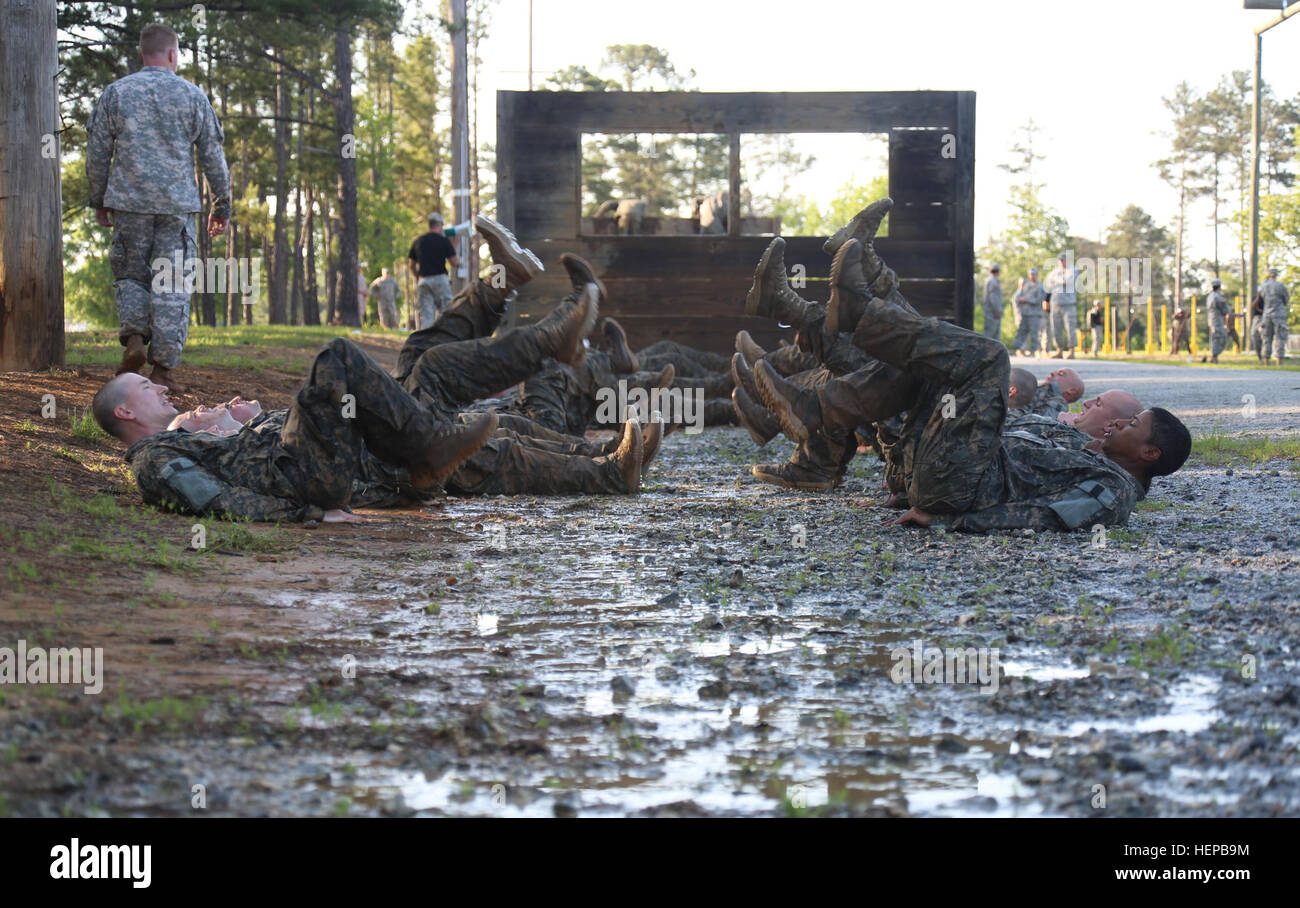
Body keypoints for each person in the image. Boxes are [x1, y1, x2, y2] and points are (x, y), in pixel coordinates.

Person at [752, 220, 1190, 532]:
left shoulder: (1115, 491)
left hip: (957, 485)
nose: (1116, 424)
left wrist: (954, 519)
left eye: (1130, 425)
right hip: (935, 464)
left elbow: (1046, 517)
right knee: (931, 364)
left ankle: (860, 302)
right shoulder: (1088, 449)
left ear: (1149, 454)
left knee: (990, 359)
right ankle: (806, 336)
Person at [86, 23, 231, 391]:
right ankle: (163, 370)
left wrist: (99, 199)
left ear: (141, 54)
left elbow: (98, 153)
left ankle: (134, 339)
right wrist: (222, 205)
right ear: (172, 54)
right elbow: (214, 155)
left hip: (129, 204)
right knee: (171, 283)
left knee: (131, 275)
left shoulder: (116, 93)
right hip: (175, 206)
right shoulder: (192, 96)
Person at [409, 213, 459, 329]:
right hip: (440, 280)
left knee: (426, 315)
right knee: (446, 313)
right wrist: (454, 247)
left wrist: (418, 277)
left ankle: (426, 344)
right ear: (439, 224)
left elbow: (411, 265)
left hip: (423, 281)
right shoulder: (444, 241)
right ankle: (445, 341)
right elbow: (454, 262)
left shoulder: (418, 241)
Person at [1044, 252, 1078, 358]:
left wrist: (1055, 281)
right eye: (1060, 260)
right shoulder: (1054, 272)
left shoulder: (1073, 270)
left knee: (1070, 328)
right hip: (1055, 303)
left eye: (1064, 260)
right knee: (1056, 327)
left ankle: (1072, 351)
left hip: (1068, 303)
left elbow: (1067, 281)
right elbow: (1048, 286)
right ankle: (1059, 350)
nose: (1062, 262)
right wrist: (1046, 301)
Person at [1258, 266, 1290, 366]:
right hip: (1279, 313)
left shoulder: (1263, 286)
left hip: (1266, 313)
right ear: (1276, 275)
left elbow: (1262, 298)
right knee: (1280, 337)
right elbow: (1286, 300)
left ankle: (1266, 360)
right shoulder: (1281, 286)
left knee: (1266, 337)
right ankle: (1279, 361)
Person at [1011, 267, 1045, 356]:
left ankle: (1033, 351)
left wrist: (1027, 299)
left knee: (1034, 333)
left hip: (1035, 314)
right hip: (1025, 314)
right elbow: (1017, 297)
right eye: (1030, 274)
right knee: (1021, 332)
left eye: (1033, 274)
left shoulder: (1040, 286)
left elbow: (1039, 299)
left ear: (1037, 275)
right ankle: (1016, 349)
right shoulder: (1025, 286)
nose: (1032, 276)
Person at [1207, 279, 1230, 363]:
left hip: (1212, 319)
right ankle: (1214, 356)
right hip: (1217, 319)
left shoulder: (1210, 296)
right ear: (1219, 286)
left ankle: (1214, 356)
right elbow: (1224, 309)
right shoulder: (1217, 296)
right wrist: (1228, 312)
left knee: (1215, 338)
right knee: (1221, 337)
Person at [982, 264, 1004, 341]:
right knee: (990, 334)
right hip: (992, 312)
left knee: (994, 335)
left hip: (991, 311)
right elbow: (993, 297)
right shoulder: (993, 281)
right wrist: (997, 310)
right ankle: (984, 351)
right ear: (997, 271)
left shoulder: (990, 280)